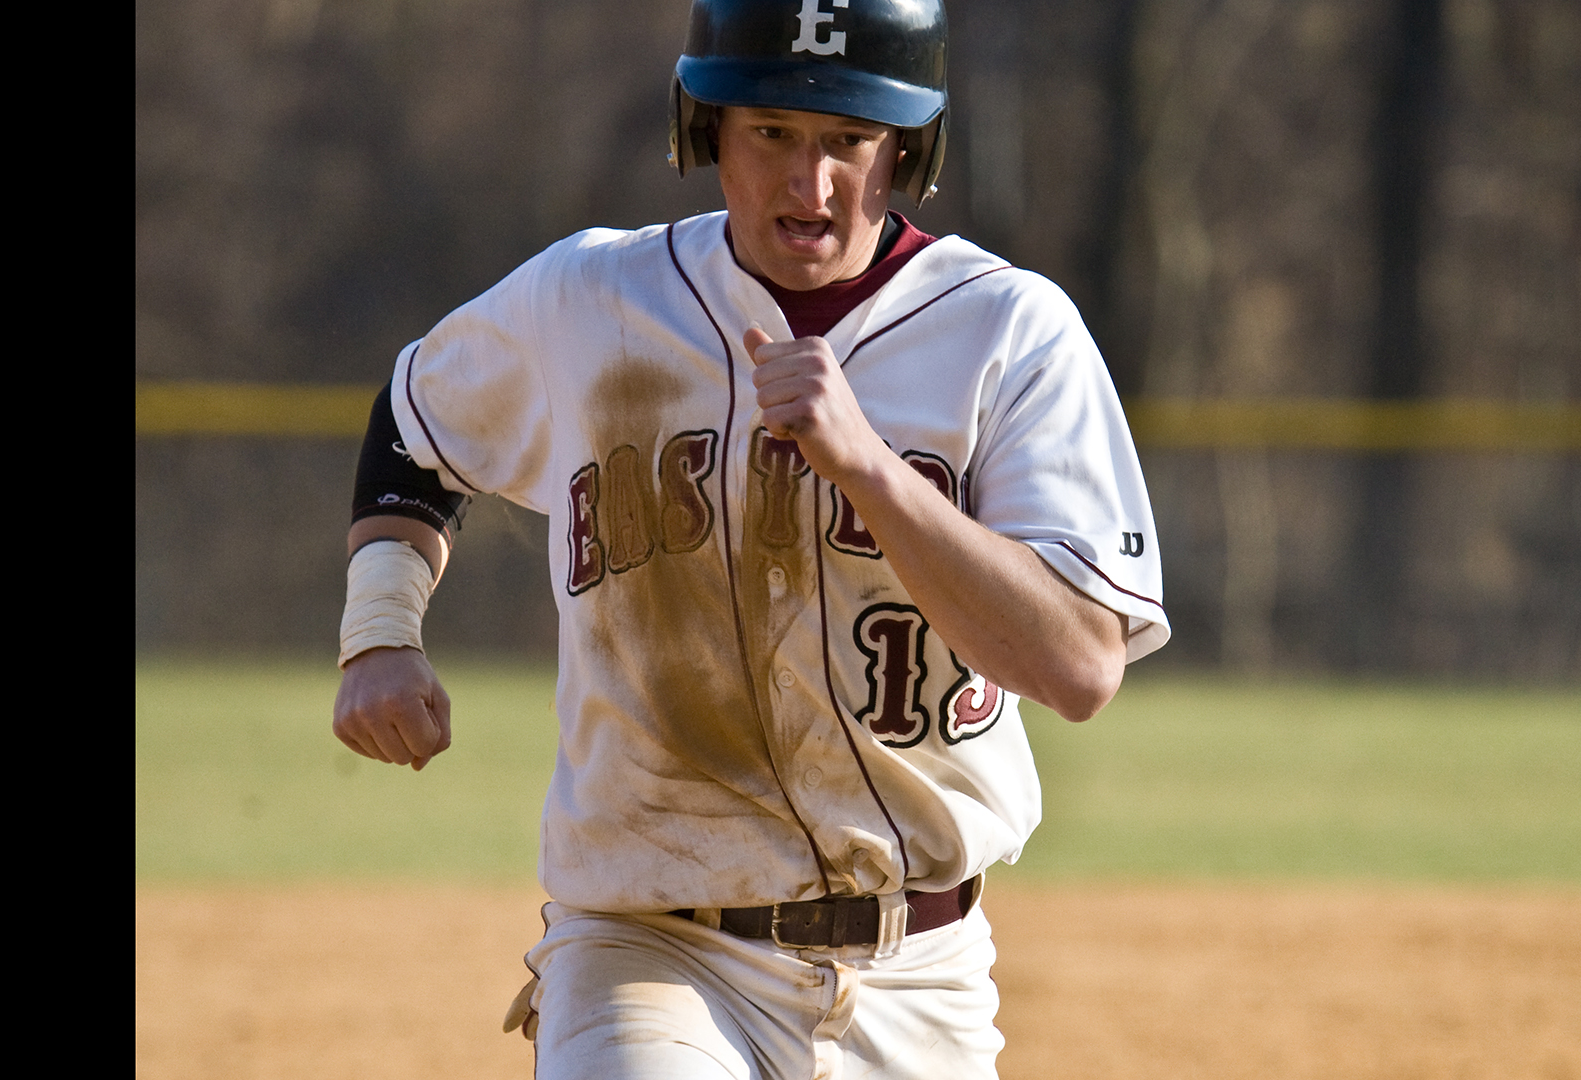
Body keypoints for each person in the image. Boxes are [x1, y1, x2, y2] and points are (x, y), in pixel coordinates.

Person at [331, 2, 1167, 1076]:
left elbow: (1081, 664)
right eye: (771, 132)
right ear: (706, 129)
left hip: (921, 972)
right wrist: (381, 630)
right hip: (649, 946)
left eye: (848, 142)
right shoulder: (596, 299)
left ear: (906, 147)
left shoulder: (1009, 333)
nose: (808, 184)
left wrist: (870, 468)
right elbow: (416, 422)